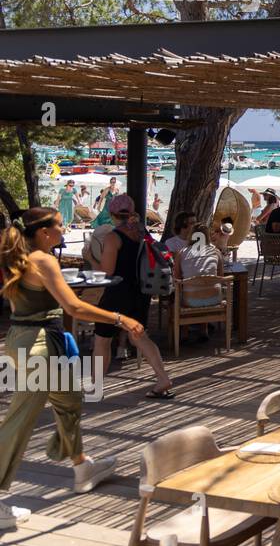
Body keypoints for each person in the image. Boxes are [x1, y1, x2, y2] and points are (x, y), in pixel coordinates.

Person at [0, 208, 126, 528]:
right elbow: (72, 305)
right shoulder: (43, 260)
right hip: (39, 345)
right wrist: (118, 318)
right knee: (20, 421)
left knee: (69, 401)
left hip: (28, 339)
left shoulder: (17, 256)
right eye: (58, 226)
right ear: (44, 233)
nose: (62, 230)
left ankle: (82, 466)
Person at [86, 196, 174, 399]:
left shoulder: (113, 237)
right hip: (140, 293)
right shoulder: (141, 233)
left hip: (117, 293)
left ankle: (94, 386)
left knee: (102, 339)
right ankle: (162, 378)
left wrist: (90, 258)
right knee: (140, 337)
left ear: (111, 214)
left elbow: (106, 273)